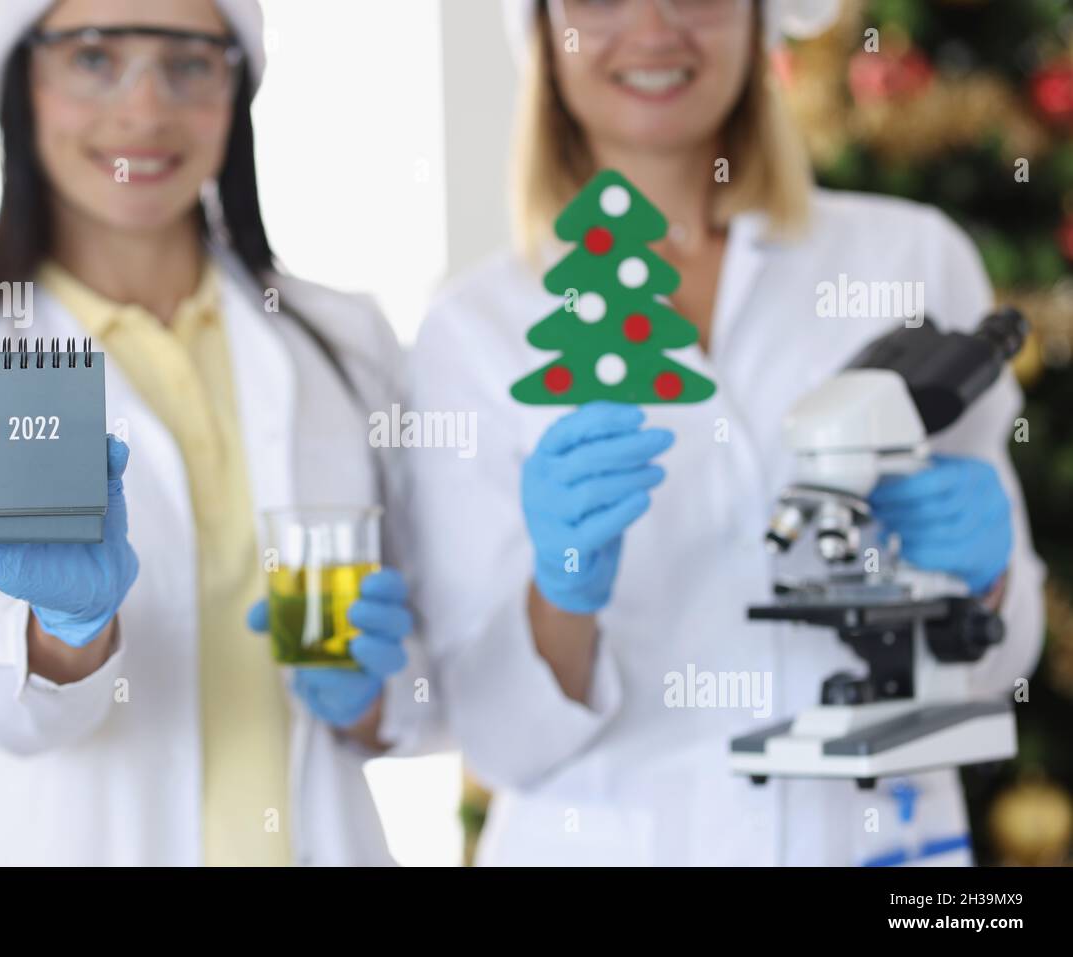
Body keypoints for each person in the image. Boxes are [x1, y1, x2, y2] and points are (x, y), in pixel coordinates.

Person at [409, 0, 1045, 865]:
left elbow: (1001, 661)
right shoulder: (474, 328)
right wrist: (561, 593)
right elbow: (496, 737)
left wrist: (989, 579)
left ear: (758, 19)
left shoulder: (912, 260)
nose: (655, 26)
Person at [0, 0, 434, 866]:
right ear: (24, 86)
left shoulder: (343, 341)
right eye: (93, 57)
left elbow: (431, 668)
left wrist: (372, 694)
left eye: (191, 62)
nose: (146, 108)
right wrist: (67, 627)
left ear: (236, 89)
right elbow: (2, 700)